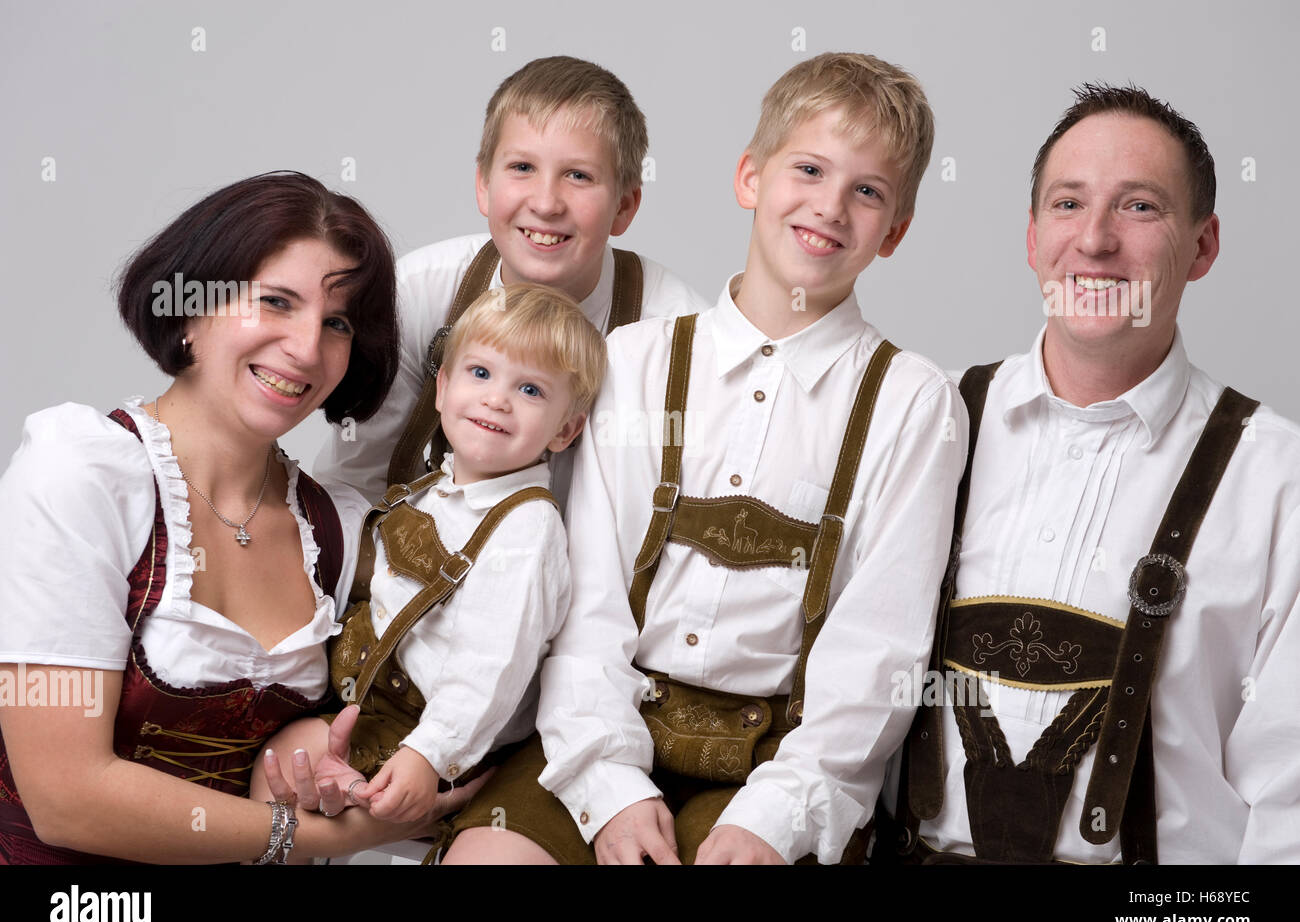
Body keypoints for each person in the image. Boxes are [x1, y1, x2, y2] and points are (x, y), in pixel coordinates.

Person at [444, 52, 967, 865]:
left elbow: (878, 653)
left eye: (867, 191)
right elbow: (587, 604)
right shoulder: (637, 358)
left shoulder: (913, 402)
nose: (829, 205)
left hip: (775, 765)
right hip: (605, 730)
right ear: (750, 177)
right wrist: (610, 782)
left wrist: (778, 815)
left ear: (894, 230)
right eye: (808, 169)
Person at [0, 171, 480, 864]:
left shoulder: (339, 531)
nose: (306, 348)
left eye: (336, 322)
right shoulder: (82, 477)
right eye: (276, 302)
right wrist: (321, 837)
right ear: (192, 310)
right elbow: (65, 796)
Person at [881, 84, 1300, 864]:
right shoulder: (928, 422)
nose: (1096, 240)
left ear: (1203, 246)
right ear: (1033, 238)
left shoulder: (1277, 479)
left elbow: (1292, 804)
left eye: (1140, 207)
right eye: (1069, 204)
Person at [250, 284, 605, 860]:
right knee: (282, 767)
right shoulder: (431, 491)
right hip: (370, 700)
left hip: (437, 727)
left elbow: (492, 665)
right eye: (481, 373)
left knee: (288, 778)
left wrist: (429, 754)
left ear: (565, 431)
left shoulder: (526, 527)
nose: (497, 400)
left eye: (531, 389)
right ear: (442, 390)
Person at [314, 55, 708, 509]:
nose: (545, 203)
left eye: (578, 176)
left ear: (624, 206)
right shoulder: (417, 295)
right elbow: (352, 485)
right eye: (522, 167)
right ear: (483, 183)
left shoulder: (679, 335)